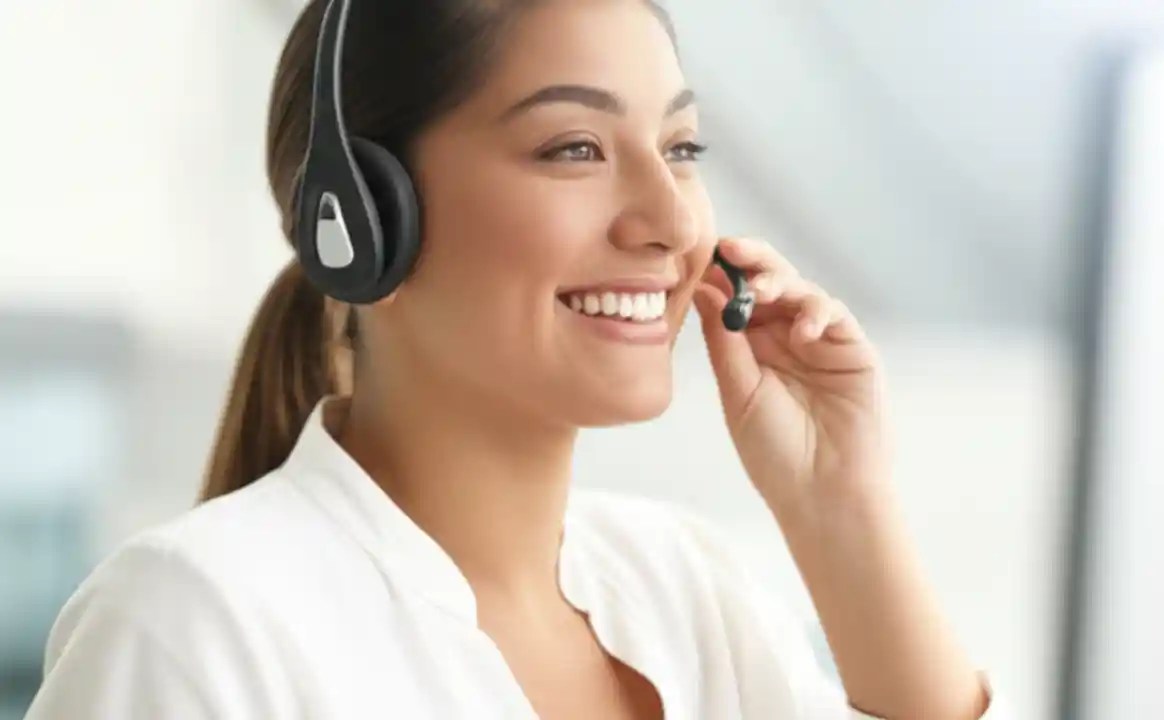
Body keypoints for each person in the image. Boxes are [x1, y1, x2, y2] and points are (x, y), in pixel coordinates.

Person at [26, 1, 1010, 718]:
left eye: (680, 149)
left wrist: (839, 508)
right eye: (574, 148)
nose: (671, 221)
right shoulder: (194, 624)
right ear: (362, 221)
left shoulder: (690, 586)